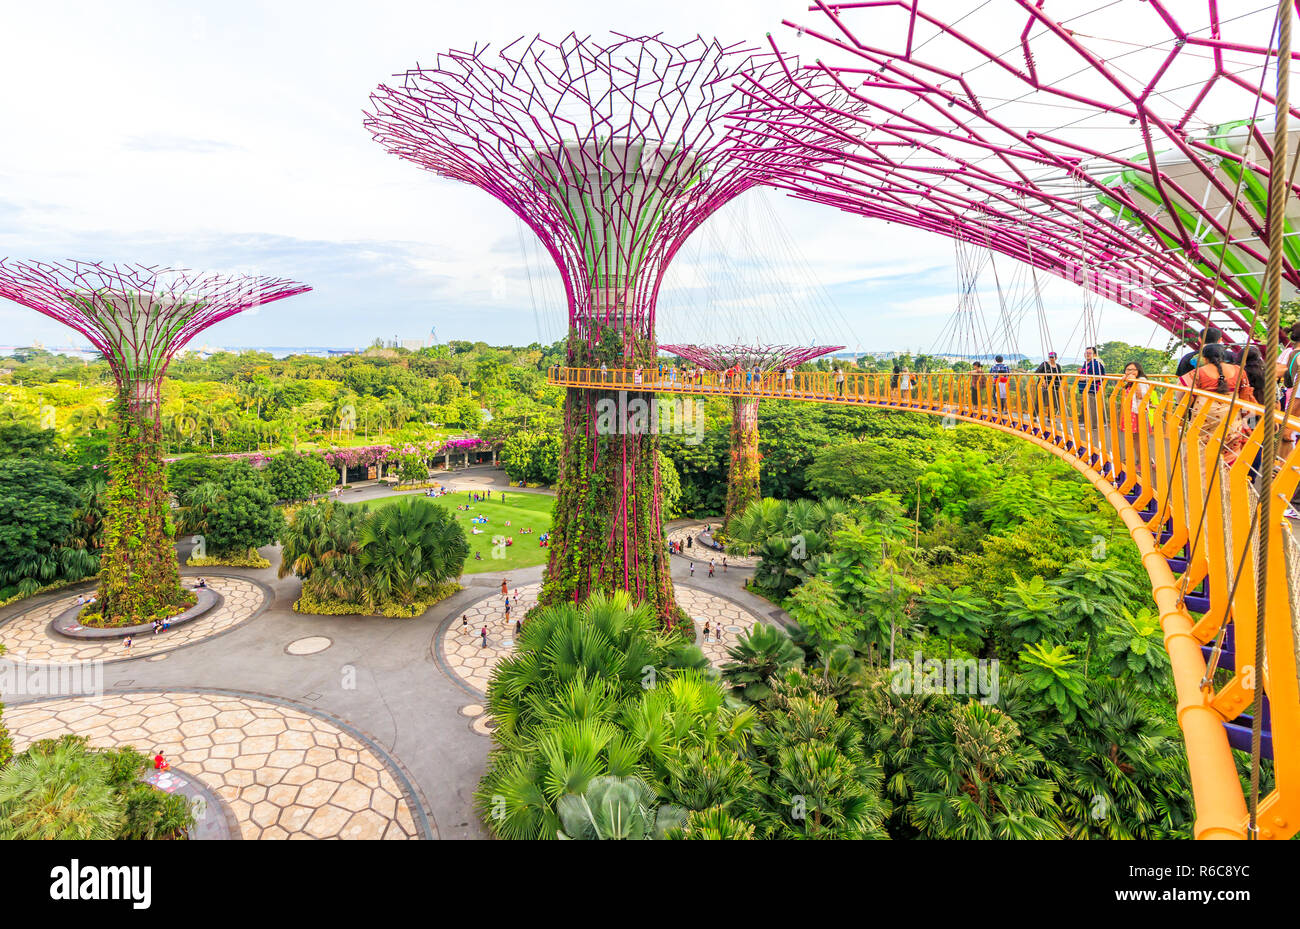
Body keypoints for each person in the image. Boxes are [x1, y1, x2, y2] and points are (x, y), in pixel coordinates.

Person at [1179, 342, 1254, 466]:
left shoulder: (1198, 372)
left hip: (1205, 417)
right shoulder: (1238, 370)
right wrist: (1250, 423)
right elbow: (1246, 396)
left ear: (1204, 358)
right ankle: (1226, 481)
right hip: (1231, 417)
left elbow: (1183, 392)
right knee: (1230, 452)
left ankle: (1203, 482)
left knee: (1200, 450)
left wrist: (1182, 414)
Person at [1077, 346, 1107, 448]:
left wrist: (1084, 378)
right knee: (1085, 406)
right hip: (1086, 389)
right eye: (1086, 353)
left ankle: (1093, 426)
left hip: (1093, 388)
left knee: (1092, 406)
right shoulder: (1087, 363)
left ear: (1094, 354)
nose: (1087, 355)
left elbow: (1100, 376)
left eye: (1089, 353)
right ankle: (1086, 423)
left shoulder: (1096, 363)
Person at [1033, 352, 1063, 427]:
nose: (1051, 358)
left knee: (1052, 402)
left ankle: (1050, 418)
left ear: (1056, 358)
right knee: (1040, 400)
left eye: (1053, 357)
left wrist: (1061, 385)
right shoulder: (1044, 364)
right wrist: (1043, 381)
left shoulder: (1058, 366)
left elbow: (1060, 377)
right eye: (1050, 357)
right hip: (1043, 385)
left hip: (1054, 386)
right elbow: (1037, 373)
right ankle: (1034, 416)